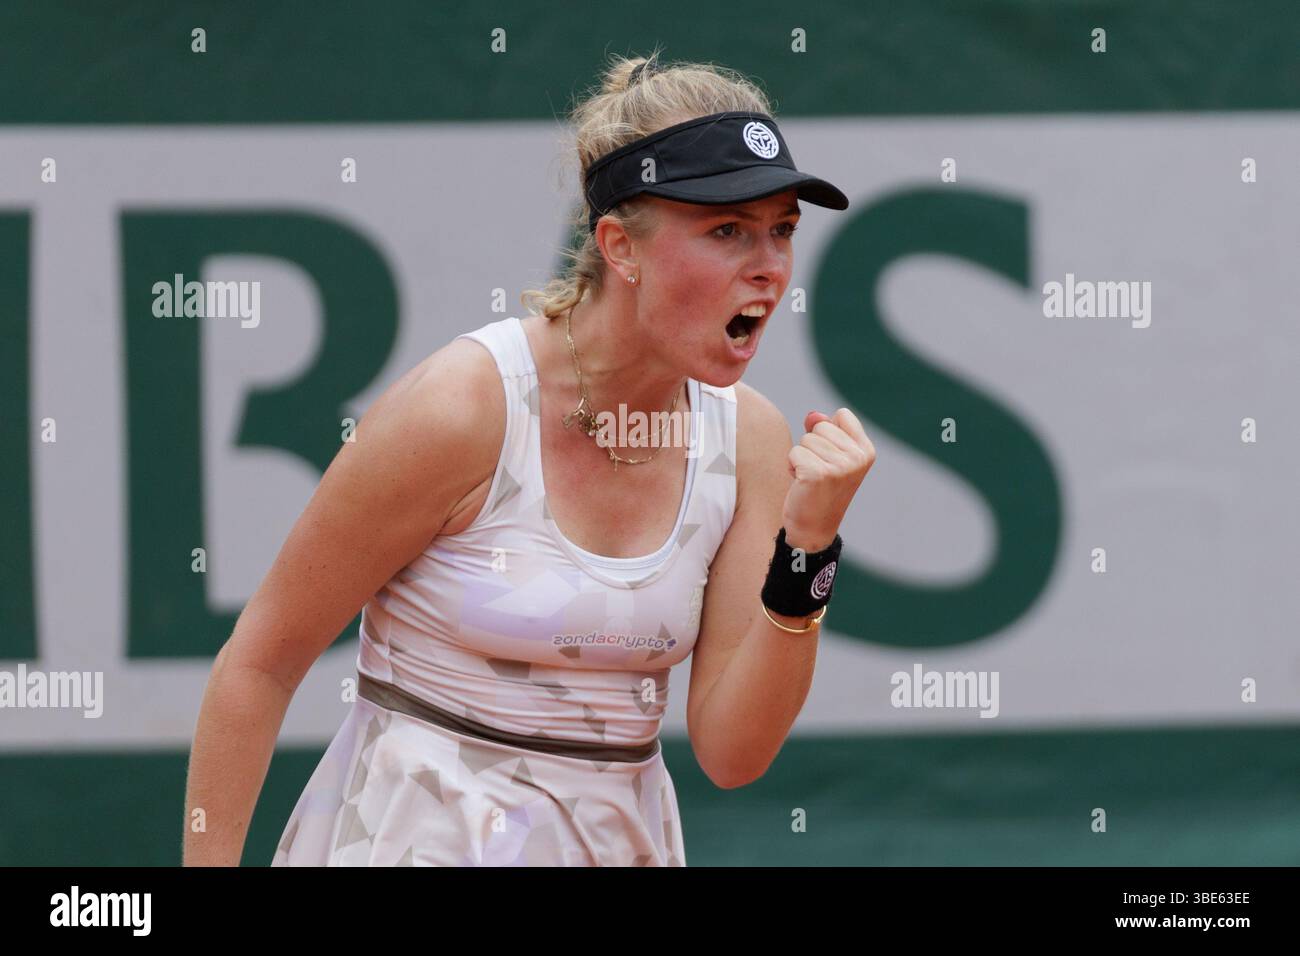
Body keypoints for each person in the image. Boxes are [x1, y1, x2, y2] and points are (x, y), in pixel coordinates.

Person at [182, 51, 874, 867]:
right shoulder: (462, 409)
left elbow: (734, 754)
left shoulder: (749, 441)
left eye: (782, 230)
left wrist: (809, 551)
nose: (769, 266)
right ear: (620, 247)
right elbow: (258, 665)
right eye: (727, 231)